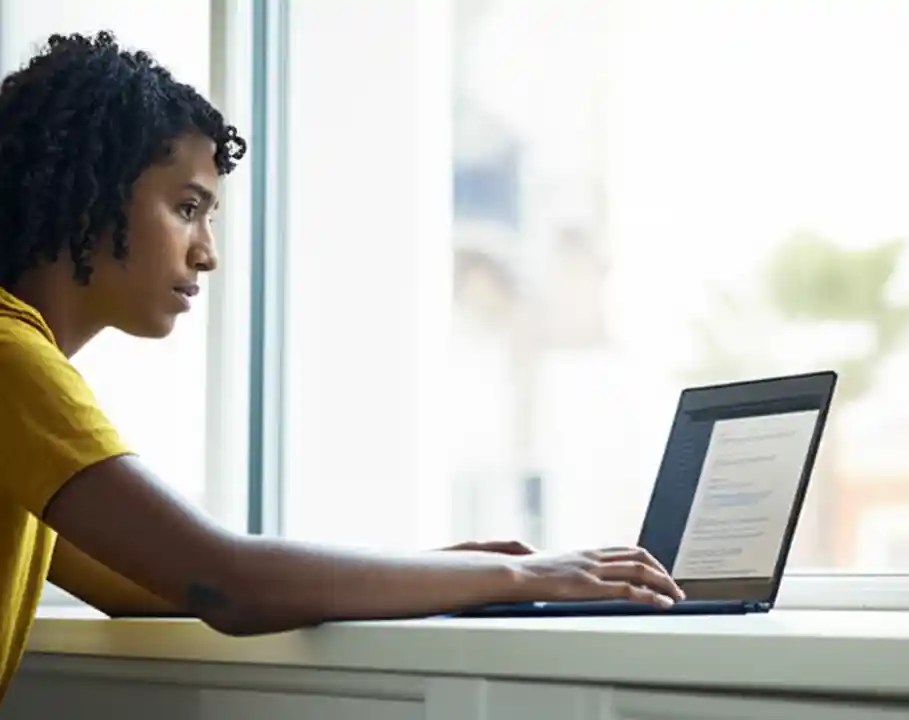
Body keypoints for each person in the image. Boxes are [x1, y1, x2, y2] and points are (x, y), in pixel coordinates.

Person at [0, 31, 683, 701]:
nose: (206, 252)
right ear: (88, 194)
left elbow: (153, 582)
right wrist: (519, 579)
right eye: (186, 209)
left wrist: (450, 571)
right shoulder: (11, 358)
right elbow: (223, 582)